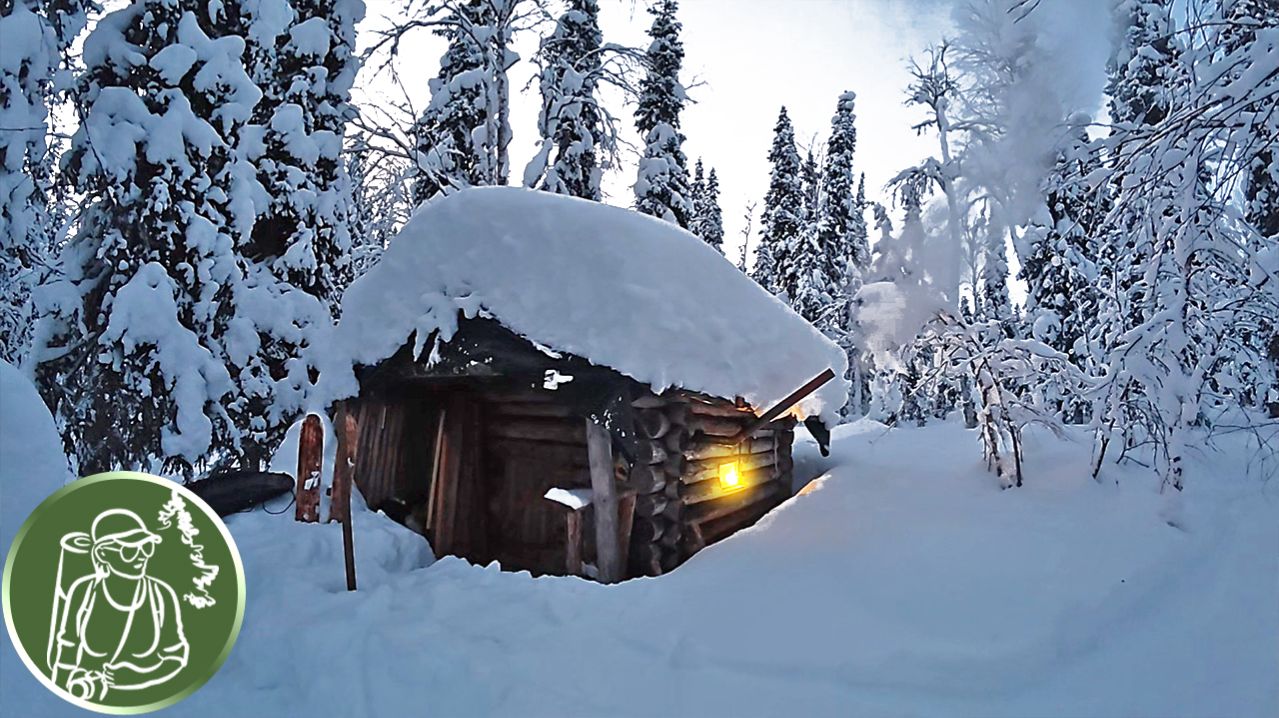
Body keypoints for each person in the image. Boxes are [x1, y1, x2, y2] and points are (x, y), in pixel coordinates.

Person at [50, 509, 189, 701]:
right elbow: (67, 650)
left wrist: (141, 677)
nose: (141, 556)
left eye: (146, 547)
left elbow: (176, 656)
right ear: (103, 553)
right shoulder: (84, 591)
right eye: (129, 550)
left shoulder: (161, 595)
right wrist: (60, 694)